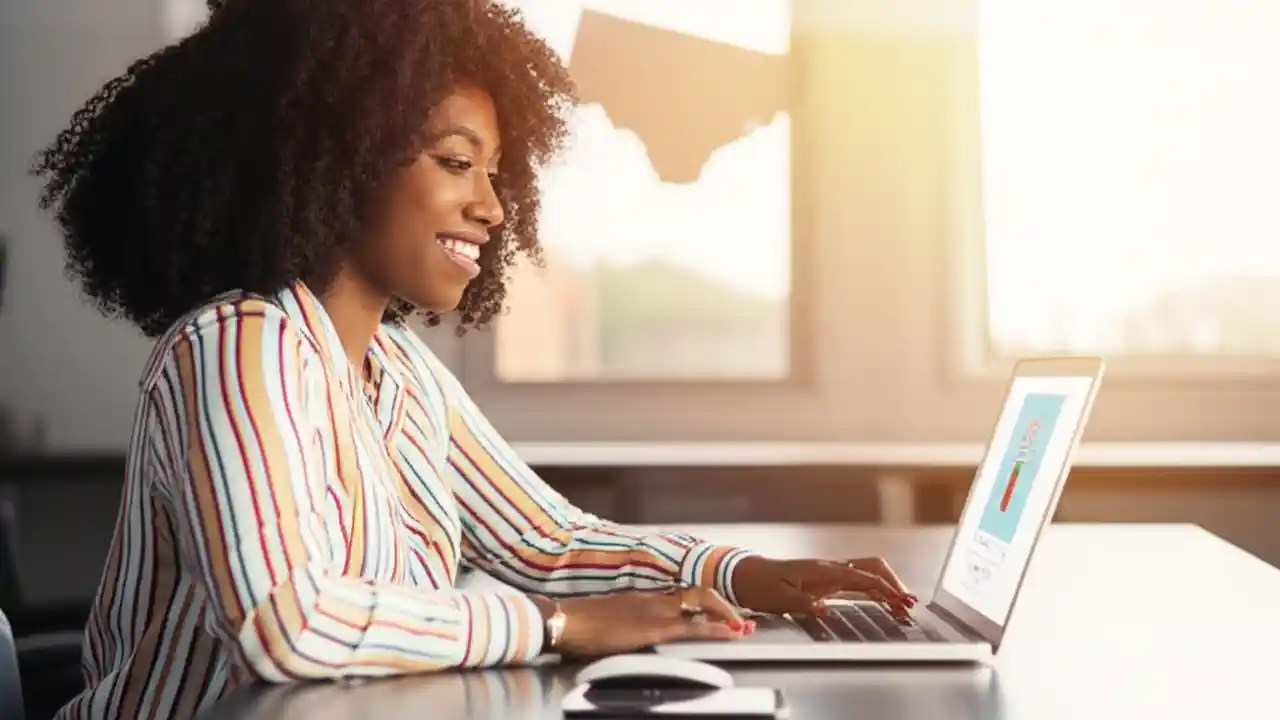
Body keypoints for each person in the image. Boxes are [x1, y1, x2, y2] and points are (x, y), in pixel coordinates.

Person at [32, 1, 916, 718]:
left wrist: (741, 574)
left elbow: (550, 542)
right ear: (337, 161)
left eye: (497, 172)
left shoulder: (397, 369)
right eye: (458, 162)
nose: (493, 209)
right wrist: (560, 625)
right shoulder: (236, 348)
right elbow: (287, 625)